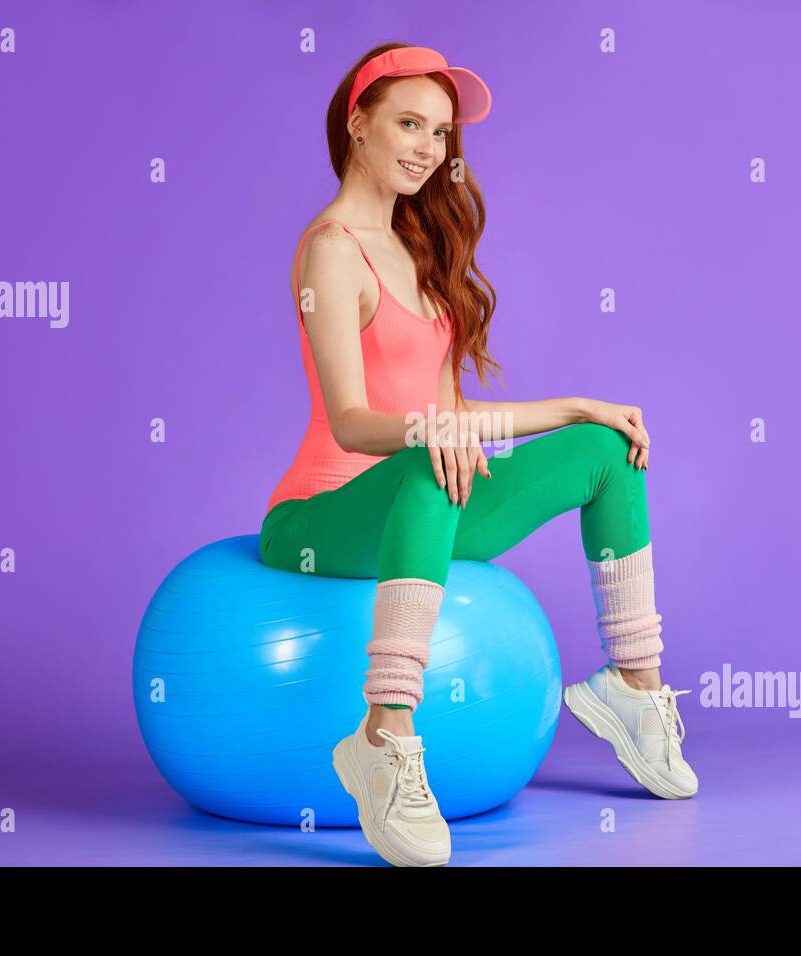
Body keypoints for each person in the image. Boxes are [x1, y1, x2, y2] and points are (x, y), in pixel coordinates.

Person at [260, 43, 697, 868]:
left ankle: (633, 686)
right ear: (358, 124)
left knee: (607, 449)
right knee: (431, 461)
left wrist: (577, 407)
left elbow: (451, 417)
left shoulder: (418, 251)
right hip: (321, 517)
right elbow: (352, 423)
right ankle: (384, 734)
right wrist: (432, 435)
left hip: (429, 500)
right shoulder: (332, 248)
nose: (428, 148)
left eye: (441, 133)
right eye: (409, 124)